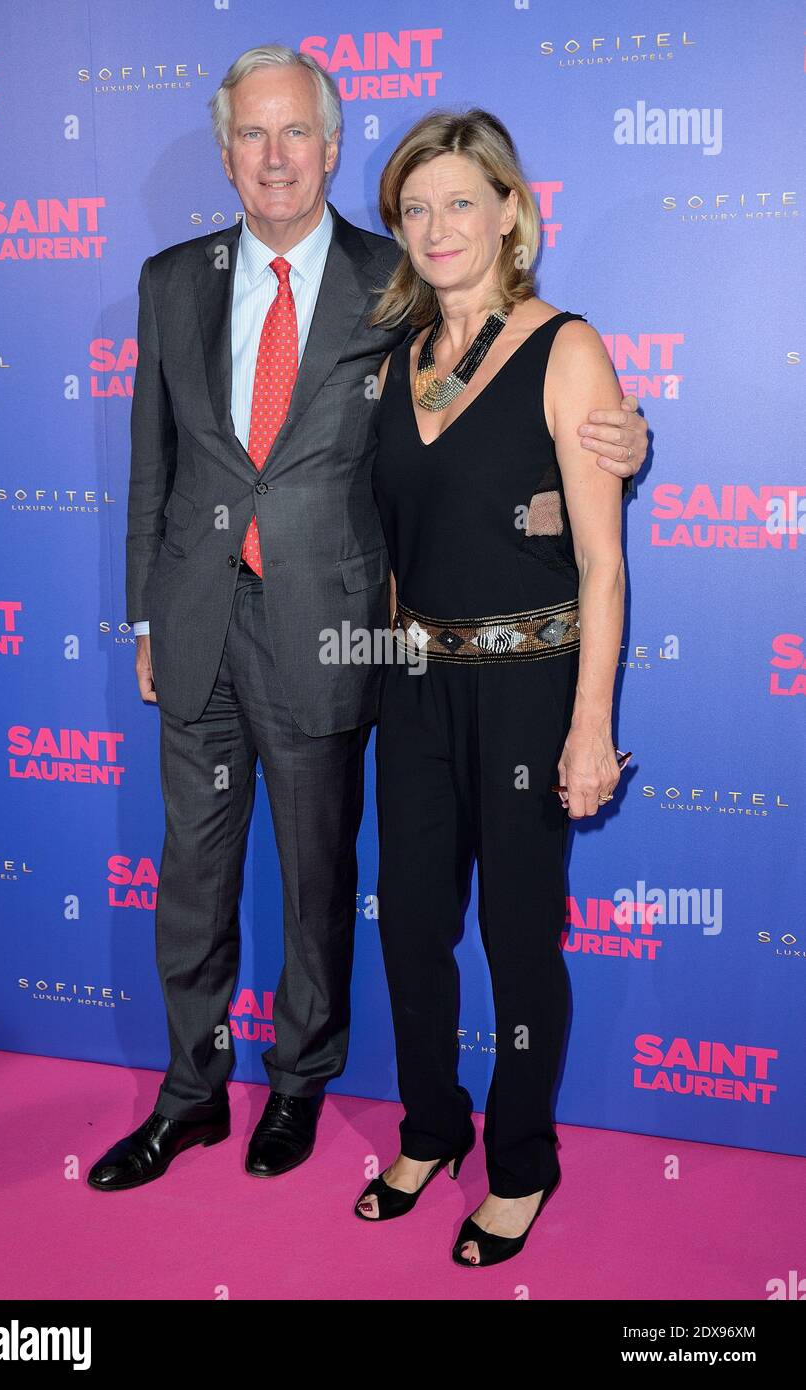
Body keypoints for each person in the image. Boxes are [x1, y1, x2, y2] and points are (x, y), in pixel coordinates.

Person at [88, 48, 646, 1194]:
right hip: (203, 633)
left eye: (298, 134)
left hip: (334, 638)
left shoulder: (392, 279)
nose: (276, 156)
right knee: (191, 879)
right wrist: (145, 620)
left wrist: (622, 443)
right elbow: (154, 466)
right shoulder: (169, 281)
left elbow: (503, 389)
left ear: (333, 150)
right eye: (253, 134)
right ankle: (190, 1093)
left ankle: (300, 1084)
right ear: (226, 149)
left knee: (317, 881)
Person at [354, 107, 628, 1267]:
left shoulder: (565, 347)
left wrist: (588, 731)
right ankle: (427, 1128)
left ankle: (520, 1161)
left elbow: (602, 561)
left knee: (518, 941)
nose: (435, 225)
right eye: (413, 207)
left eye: (459, 200)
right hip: (413, 686)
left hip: (530, 688)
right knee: (411, 928)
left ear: (510, 211)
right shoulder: (391, 358)